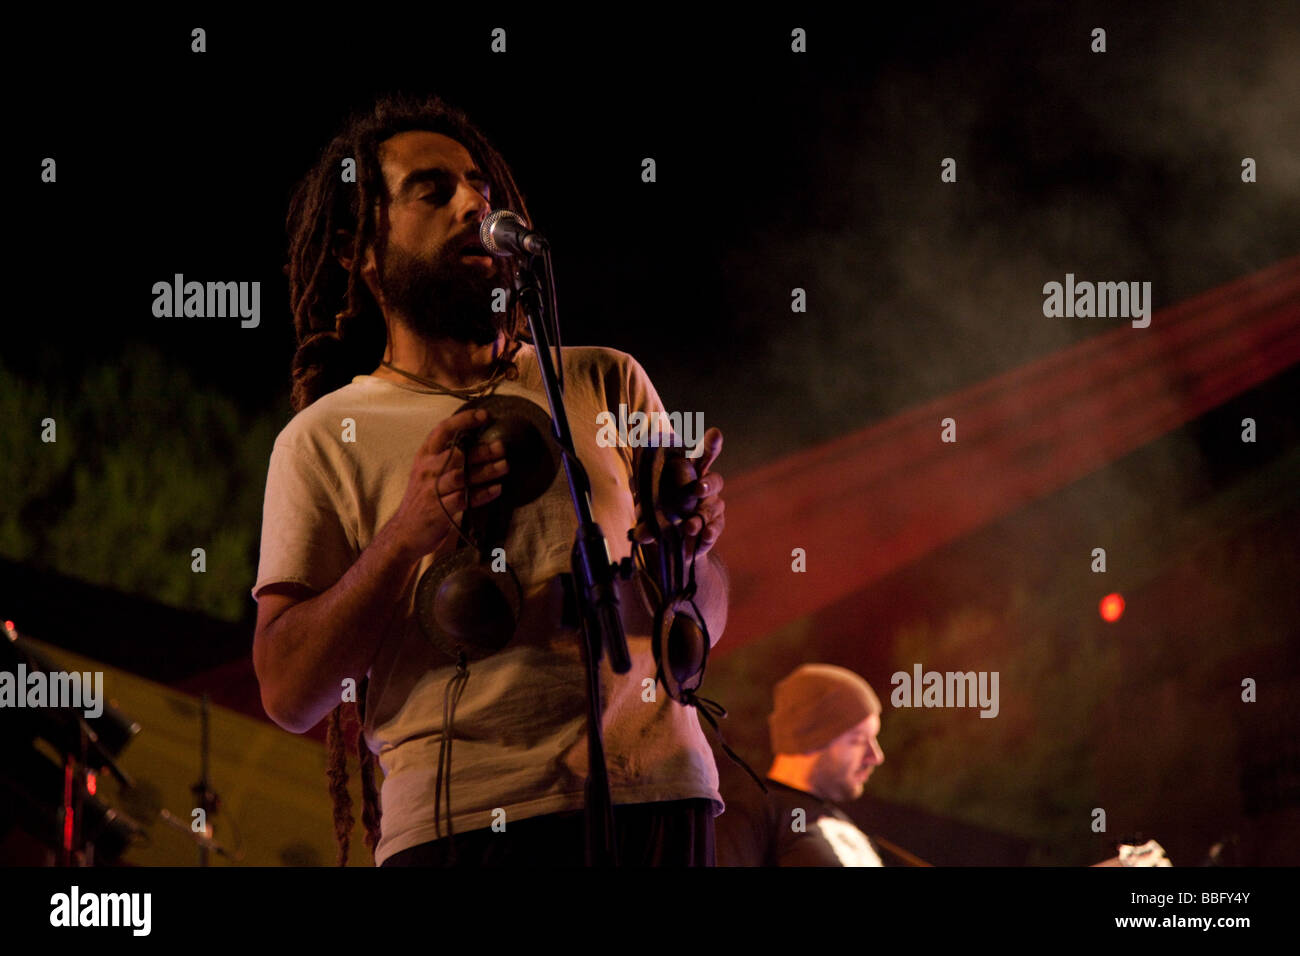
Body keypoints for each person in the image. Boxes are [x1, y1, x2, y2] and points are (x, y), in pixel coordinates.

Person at [250, 94, 730, 866]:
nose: (474, 202)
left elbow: (703, 618)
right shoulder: (320, 440)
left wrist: (688, 548)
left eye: (480, 184)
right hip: (466, 826)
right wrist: (407, 533)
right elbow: (288, 691)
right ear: (356, 251)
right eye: (432, 190)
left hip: (659, 799)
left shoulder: (607, 380)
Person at [716, 663, 886, 866]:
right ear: (811, 741)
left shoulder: (843, 823)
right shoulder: (750, 814)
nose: (875, 756)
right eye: (858, 740)